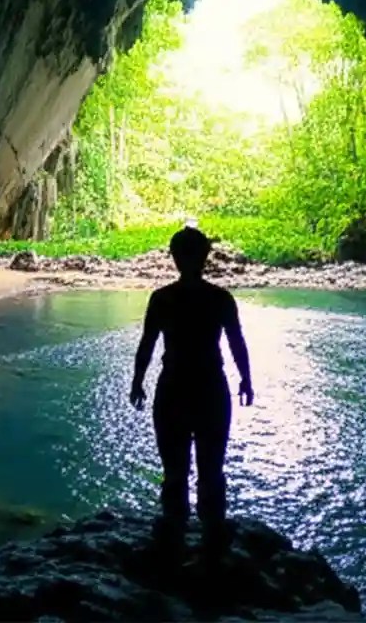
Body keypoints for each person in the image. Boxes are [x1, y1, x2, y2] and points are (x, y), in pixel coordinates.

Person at [129, 225, 254, 551]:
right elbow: (237, 343)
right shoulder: (220, 299)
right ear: (205, 257)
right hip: (211, 388)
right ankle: (213, 545)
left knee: (174, 471)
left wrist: (138, 381)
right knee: (211, 469)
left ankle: (173, 540)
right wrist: (246, 379)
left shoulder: (162, 299)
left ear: (174, 258)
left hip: (173, 389)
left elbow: (147, 344)